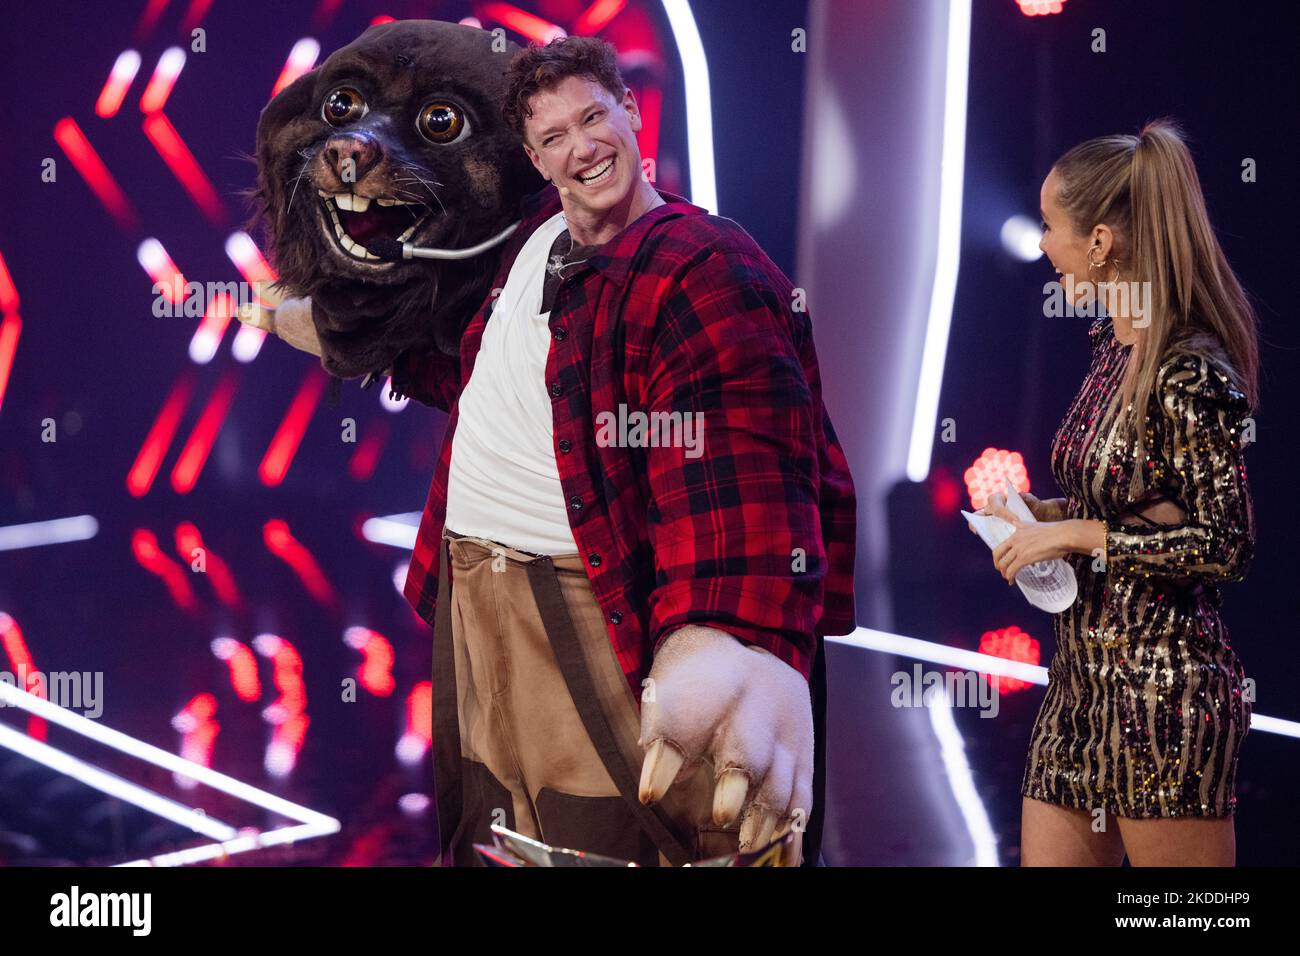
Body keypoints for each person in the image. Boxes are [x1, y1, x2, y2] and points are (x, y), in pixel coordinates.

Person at [250, 35, 856, 866]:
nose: (583, 149)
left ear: (632, 113)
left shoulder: (699, 264)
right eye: (554, 137)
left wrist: (727, 636)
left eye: (593, 118)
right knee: (506, 843)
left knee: (630, 840)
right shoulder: (536, 250)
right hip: (484, 606)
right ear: (532, 158)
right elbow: (486, 378)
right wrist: (336, 333)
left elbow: (746, 460)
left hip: (590, 615)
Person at [978, 118, 1258, 866]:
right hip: (1078, 692)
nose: (1041, 243)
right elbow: (1125, 501)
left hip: (1164, 698)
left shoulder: (1188, 369)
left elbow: (1224, 543)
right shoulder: (1110, 348)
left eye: (1049, 226)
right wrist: (1049, 514)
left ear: (1100, 244)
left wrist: (1076, 536)